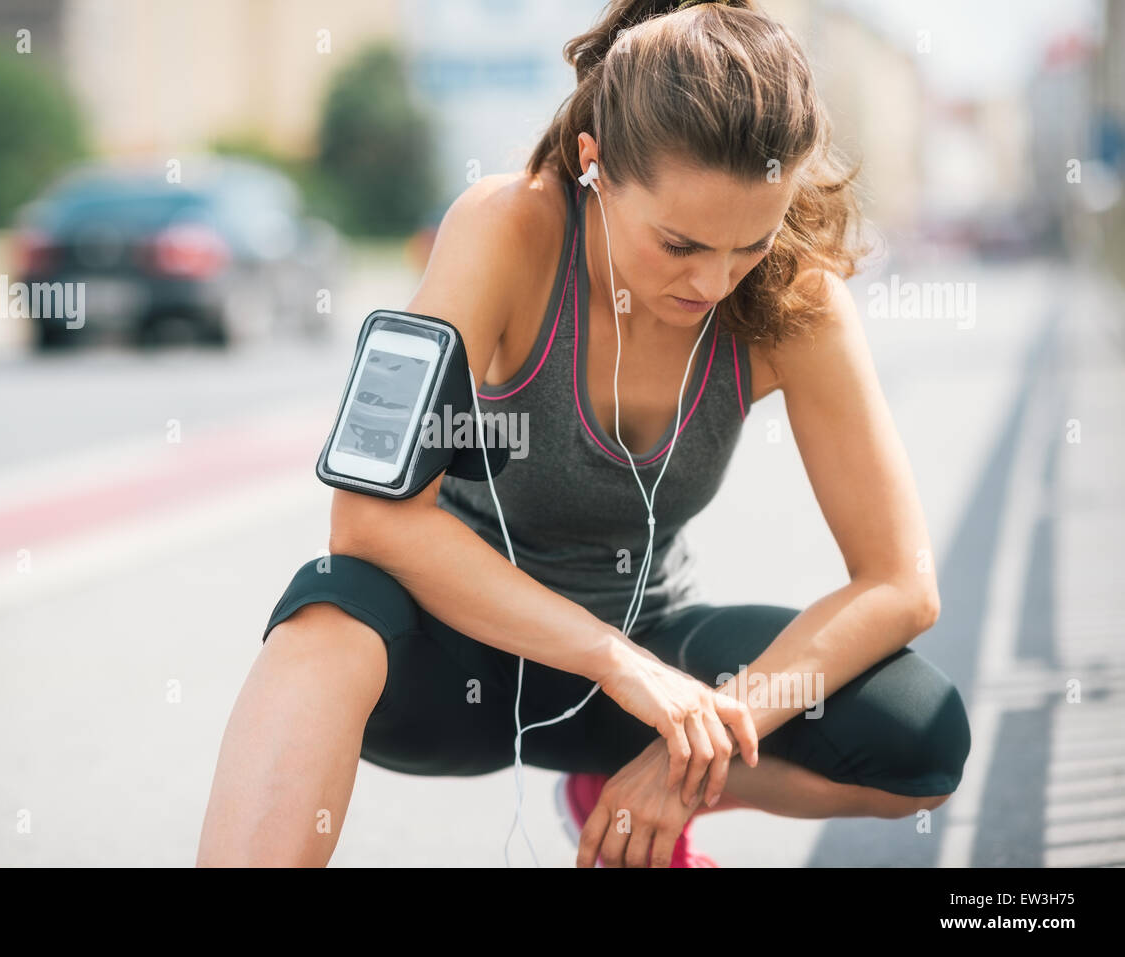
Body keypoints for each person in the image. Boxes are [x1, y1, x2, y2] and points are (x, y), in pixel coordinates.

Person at [196, 0, 971, 868]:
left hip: (649, 665)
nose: (713, 281)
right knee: (327, 610)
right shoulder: (503, 226)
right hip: (460, 661)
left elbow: (901, 582)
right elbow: (368, 520)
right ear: (594, 164)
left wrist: (704, 742)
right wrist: (612, 660)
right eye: (678, 243)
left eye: (747, 243)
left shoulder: (796, 297)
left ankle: (613, 788)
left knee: (921, 739)